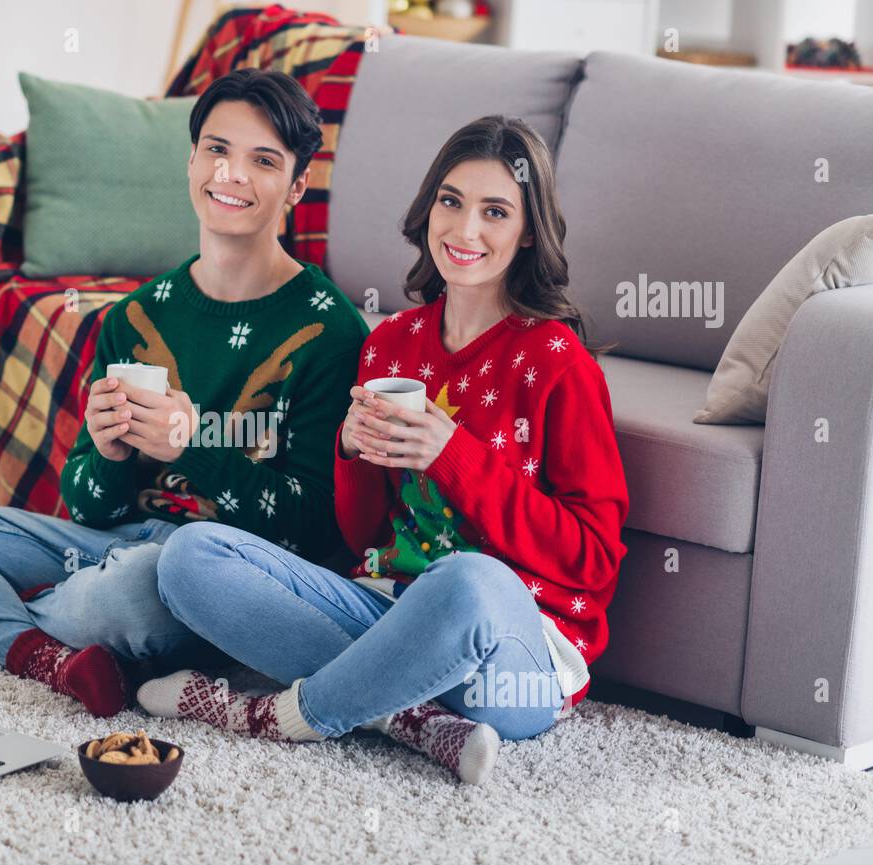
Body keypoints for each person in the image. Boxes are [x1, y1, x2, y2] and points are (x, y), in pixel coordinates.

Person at [0, 68, 367, 717]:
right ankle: (45, 652)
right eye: (216, 150)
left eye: (263, 161)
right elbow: (85, 508)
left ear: (296, 185)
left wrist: (193, 445)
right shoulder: (136, 315)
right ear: (191, 161)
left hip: (204, 571)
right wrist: (108, 456)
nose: (231, 175)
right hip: (107, 546)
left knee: (119, 599)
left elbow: (317, 534)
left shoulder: (329, 330)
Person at [140, 115, 629, 785]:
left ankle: (270, 715)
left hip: (515, 658)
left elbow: (594, 559)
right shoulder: (390, 345)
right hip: (391, 610)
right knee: (190, 556)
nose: (465, 230)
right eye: (451, 202)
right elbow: (365, 535)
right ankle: (415, 719)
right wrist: (350, 451)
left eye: (495, 212)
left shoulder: (557, 363)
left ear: (528, 233)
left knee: (467, 579)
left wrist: (452, 453)